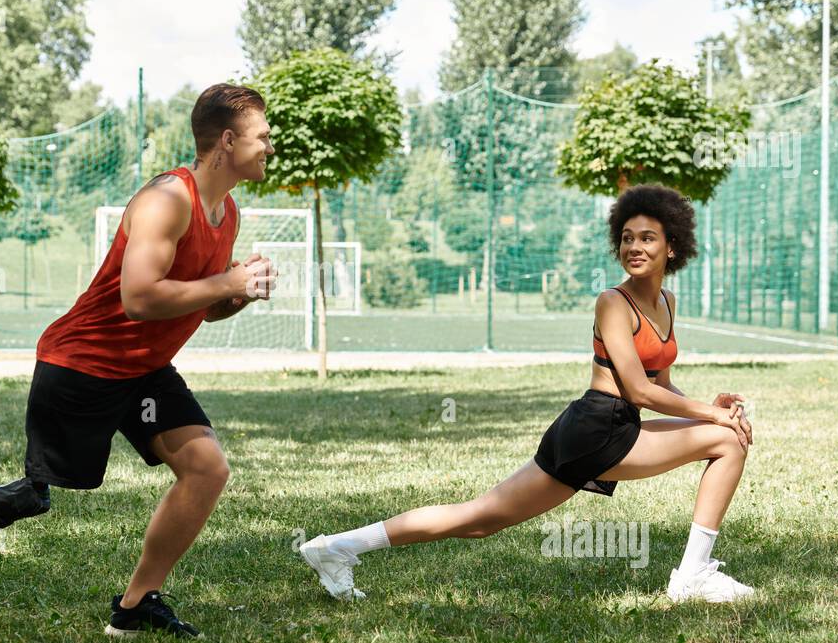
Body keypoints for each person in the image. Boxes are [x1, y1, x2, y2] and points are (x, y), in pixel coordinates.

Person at [0, 84, 276, 637]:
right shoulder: (168, 200)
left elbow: (199, 305)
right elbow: (140, 297)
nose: (270, 147)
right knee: (34, 494)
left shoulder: (229, 214)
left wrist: (236, 294)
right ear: (227, 139)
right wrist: (227, 280)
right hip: (83, 363)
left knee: (206, 468)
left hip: (144, 370)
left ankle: (135, 605)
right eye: (262, 136)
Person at [301, 183, 756, 604]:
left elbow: (658, 384)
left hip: (606, 427)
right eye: (627, 238)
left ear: (671, 245)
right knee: (728, 439)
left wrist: (705, 409)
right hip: (597, 428)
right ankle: (692, 575)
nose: (634, 247)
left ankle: (336, 548)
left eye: (648, 238)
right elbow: (637, 389)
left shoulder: (667, 303)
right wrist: (710, 418)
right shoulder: (613, 302)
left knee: (479, 520)